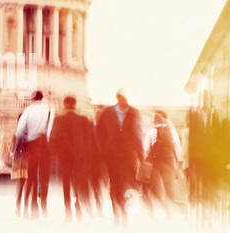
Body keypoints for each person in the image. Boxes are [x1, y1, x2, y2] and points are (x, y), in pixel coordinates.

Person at [95, 91, 145, 224]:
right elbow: (99, 133)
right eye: (124, 97)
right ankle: (117, 213)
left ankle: (124, 212)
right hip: (111, 156)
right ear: (118, 98)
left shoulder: (134, 112)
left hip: (129, 156)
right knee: (115, 185)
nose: (126, 100)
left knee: (127, 185)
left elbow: (139, 134)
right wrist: (102, 151)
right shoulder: (107, 113)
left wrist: (141, 156)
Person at [49, 96, 95, 219]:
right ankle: (78, 206)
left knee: (66, 183)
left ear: (65, 105)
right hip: (80, 157)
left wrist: (54, 155)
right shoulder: (83, 120)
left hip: (64, 157)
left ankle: (68, 209)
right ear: (74, 105)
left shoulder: (58, 120)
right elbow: (89, 140)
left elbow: (53, 139)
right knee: (78, 182)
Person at [14, 90, 53, 216]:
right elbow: (51, 130)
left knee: (31, 177)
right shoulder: (49, 110)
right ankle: (44, 203)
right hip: (45, 146)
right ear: (42, 98)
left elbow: (19, 131)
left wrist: (24, 140)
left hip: (31, 146)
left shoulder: (28, 110)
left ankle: (31, 206)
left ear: (32, 99)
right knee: (44, 176)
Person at [142, 109, 183, 217]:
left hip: (155, 164)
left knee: (154, 189)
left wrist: (146, 163)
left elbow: (146, 149)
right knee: (169, 189)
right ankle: (170, 212)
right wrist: (178, 165)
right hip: (169, 163)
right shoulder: (172, 133)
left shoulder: (151, 132)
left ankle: (154, 211)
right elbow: (178, 149)